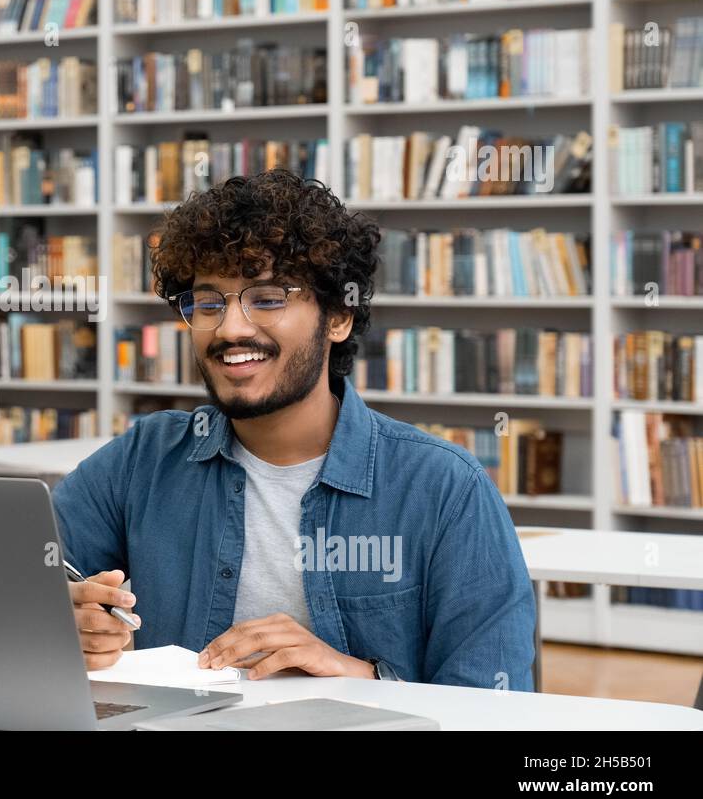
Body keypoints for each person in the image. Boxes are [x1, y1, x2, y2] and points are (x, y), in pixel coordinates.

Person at [52, 170, 535, 687]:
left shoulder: (444, 488)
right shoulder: (142, 458)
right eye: (210, 303)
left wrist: (357, 677)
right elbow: (12, 587)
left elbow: (494, 703)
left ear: (338, 318)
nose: (232, 328)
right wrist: (62, 621)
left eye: (267, 298)